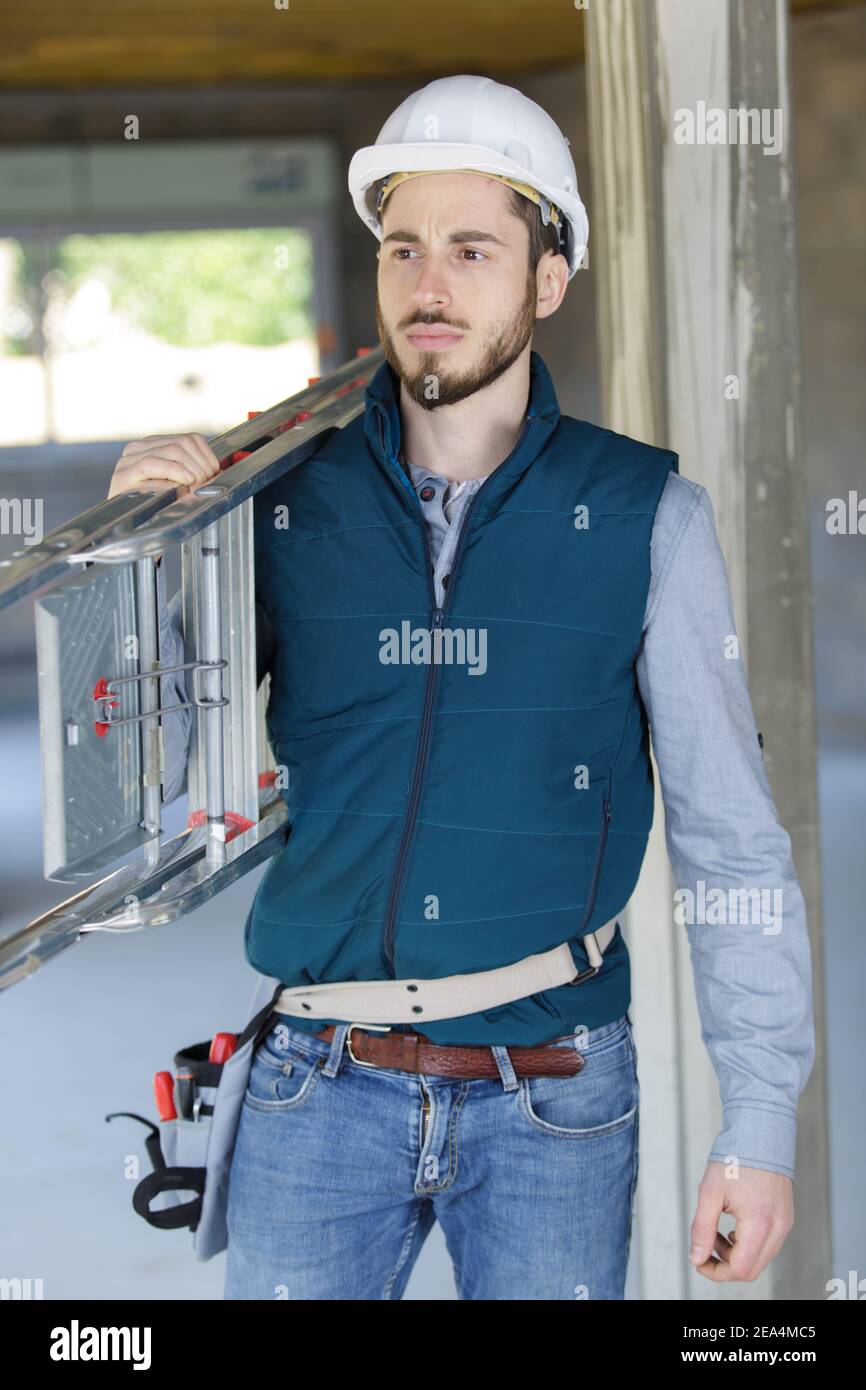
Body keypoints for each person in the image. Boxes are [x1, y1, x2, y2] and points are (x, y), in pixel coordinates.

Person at [107, 75, 814, 1300]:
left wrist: (757, 1120)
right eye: (403, 248)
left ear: (546, 279)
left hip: (553, 1091)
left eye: (472, 249)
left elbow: (732, 843)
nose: (429, 285)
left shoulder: (645, 515)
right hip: (313, 1086)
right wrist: (146, 560)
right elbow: (149, 786)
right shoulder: (276, 503)